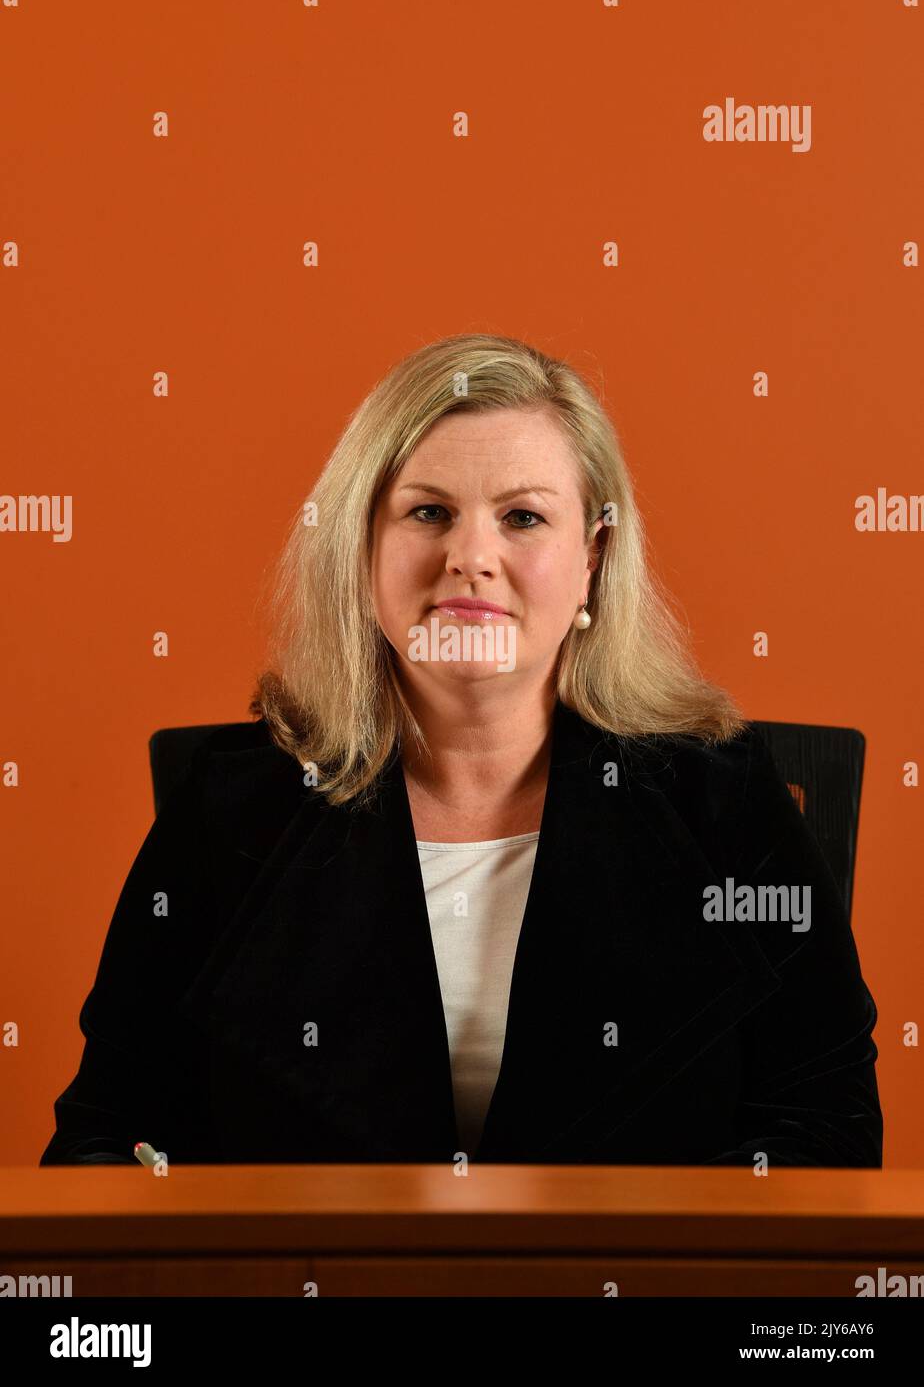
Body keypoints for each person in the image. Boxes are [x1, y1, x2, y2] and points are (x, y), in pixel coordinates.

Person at [39, 333, 883, 1167]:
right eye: (428, 512)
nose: (470, 558)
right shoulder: (229, 809)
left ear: (593, 557)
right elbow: (104, 1134)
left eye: (523, 517)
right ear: (362, 550)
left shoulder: (723, 802)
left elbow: (827, 1127)